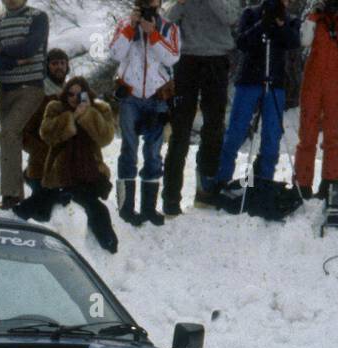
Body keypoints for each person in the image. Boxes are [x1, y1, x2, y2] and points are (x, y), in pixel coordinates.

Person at [206, 0, 301, 195]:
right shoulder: (250, 13)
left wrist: (280, 25)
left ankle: (263, 181)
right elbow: (241, 42)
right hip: (249, 79)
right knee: (236, 131)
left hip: (275, 82)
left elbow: (293, 43)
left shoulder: (290, 19)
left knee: (272, 136)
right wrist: (262, 25)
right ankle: (222, 179)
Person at [16, 76, 118, 253]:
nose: (74, 98)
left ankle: (109, 248)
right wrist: (71, 118)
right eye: (70, 94)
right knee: (41, 203)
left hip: (89, 172)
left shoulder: (100, 109)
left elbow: (105, 137)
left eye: (80, 94)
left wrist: (87, 114)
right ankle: (15, 224)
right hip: (59, 172)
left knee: (95, 208)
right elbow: (46, 134)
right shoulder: (55, 108)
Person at [162, 1, 241, 214]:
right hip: (186, 60)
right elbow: (166, 18)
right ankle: (170, 198)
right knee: (180, 129)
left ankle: (205, 191)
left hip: (216, 59)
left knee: (214, 127)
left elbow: (232, 17)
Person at [110, 1, 180, 225]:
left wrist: (154, 35)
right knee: (128, 148)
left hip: (157, 95)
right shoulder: (124, 24)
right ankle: (126, 207)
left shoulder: (170, 28)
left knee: (153, 151)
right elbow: (115, 53)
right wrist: (131, 26)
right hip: (130, 95)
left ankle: (149, 208)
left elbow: (172, 57)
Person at [294, 0, 338, 199]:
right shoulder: (316, 15)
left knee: (332, 133)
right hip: (313, 80)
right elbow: (304, 40)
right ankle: (303, 183)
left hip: (336, 81)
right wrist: (314, 15)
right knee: (307, 132)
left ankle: (331, 182)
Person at [0, 0, 49, 209]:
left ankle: (11, 195)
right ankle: (17, 192)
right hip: (6, 88)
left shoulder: (37, 17)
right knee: (11, 139)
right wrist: (12, 60)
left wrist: (2, 49)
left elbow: (30, 47)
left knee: (9, 133)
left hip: (30, 87)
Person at [14, 49, 69, 219]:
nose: (59, 67)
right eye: (54, 64)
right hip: (41, 168)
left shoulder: (71, 93)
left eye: (62, 63)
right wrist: (46, 154)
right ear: (47, 67)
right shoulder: (37, 94)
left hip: (66, 168)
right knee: (44, 211)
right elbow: (22, 134)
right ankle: (14, 217)